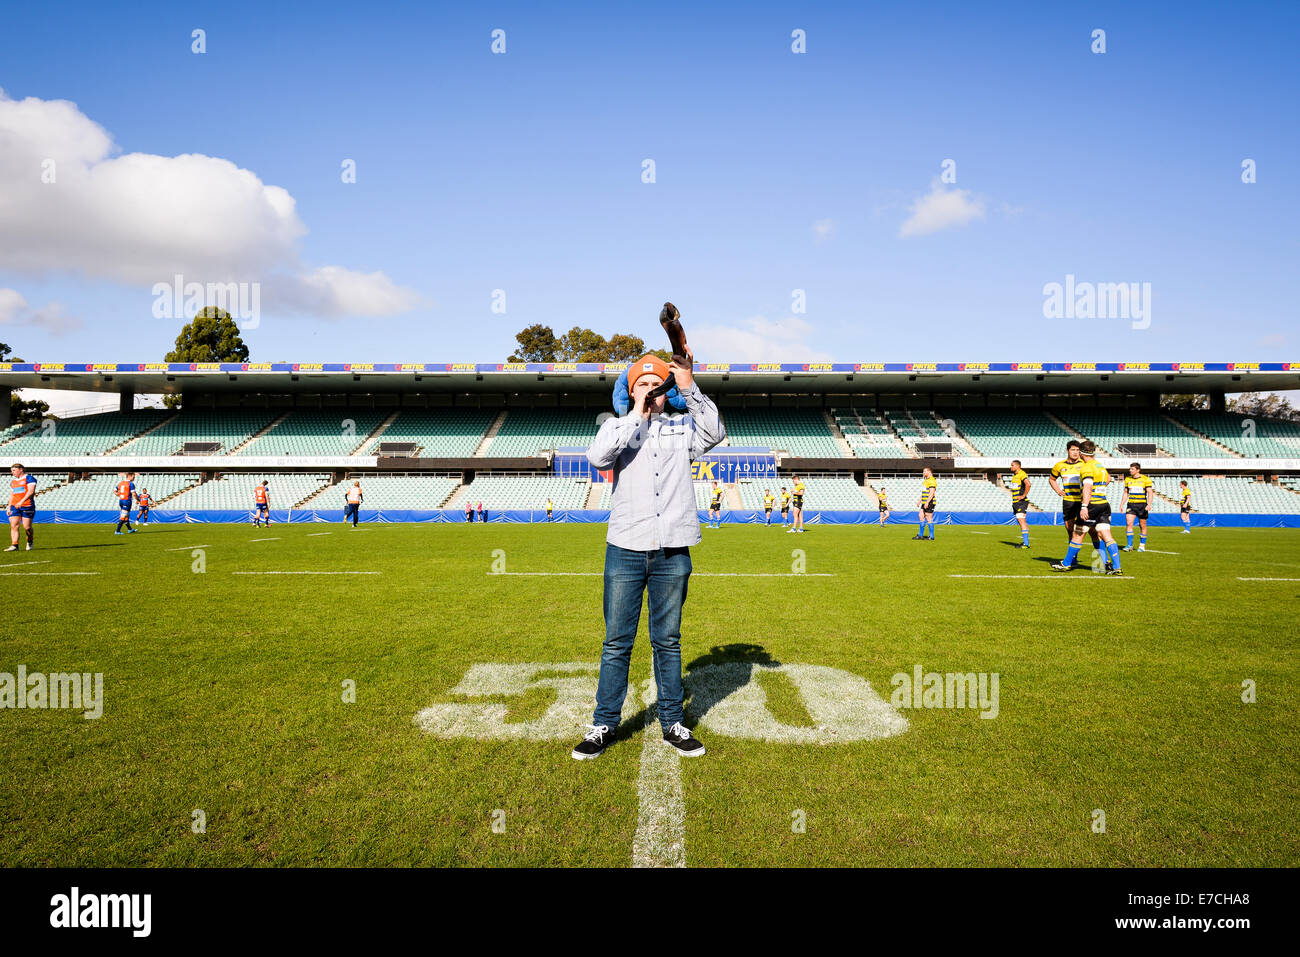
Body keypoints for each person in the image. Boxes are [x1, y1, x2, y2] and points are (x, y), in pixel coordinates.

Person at [573, 351, 725, 760]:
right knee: (617, 642)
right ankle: (603, 724)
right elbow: (598, 457)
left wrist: (688, 384)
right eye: (642, 384)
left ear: (666, 391)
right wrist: (636, 415)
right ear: (630, 390)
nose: (650, 391)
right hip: (625, 548)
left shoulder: (681, 428)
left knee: (668, 642)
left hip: (672, 550)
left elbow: (715, 431)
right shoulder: (618, 426)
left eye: (657, 385)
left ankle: (673, 722)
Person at [1052, 441, 1123, 574]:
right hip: (1104, 504)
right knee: (1106, 535)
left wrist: (1084, 506)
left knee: (1078, 534)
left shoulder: (1086, 467)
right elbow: (1108, 479)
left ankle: (1066, 563)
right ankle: (1117, 567)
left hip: (1092, 505)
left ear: (1081, 452)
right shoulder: (1100, 465)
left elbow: (1088, 487)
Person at [1049, 440, 1105, 568]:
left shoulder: (1085, 464)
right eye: (1073, 450)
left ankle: (1103, 560)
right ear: (1067, 450)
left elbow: (1105, 478)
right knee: (1070, 530)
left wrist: (1093, 491)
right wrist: (1058, 490)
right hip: (1068, 502)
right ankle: (1073, 559)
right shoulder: (1059, 465)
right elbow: (1052, 479)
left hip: (1083, 502)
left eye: (1077, 450)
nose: (1075, 452)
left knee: (1093, 531)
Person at [1121, 463, 1153, 551]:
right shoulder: (1127, 479)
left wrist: (1149, 504)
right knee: (1129, 523)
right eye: (1130, 469)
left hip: (1142, 505)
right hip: (1131, 504)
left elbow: (1150, 492)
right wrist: (1122, 504)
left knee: (1142, 525)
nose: (1130, 470)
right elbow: (1126, 492)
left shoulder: (1145, 479)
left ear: (1138, 470)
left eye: (1132, 469)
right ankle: (1129, 545)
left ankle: (1142, 546)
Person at [6, 463, 37, 552]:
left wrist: (21, 502)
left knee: (27, 527)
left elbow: (31, 492)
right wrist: (9, 506)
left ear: (21, 469)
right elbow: (12, 494)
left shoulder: (29, 478)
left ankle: (30, 540)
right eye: (11, 471)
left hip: (27, 506)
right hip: (14, 506)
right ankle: (15, 545)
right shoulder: (13, 482)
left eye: (14, 470)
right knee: (14, 525)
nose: (12, 472)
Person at [1008, 460, 1031, 548]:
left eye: (1012, 465)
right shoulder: (1014, 476)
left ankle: (1026, 544)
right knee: (1021, 520)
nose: (1011, 467)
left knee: (1021, 520)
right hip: (1016, 502)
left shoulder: (1022, 474)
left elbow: (1028, 484)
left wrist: (1023, 495)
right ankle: (1026, 542)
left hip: (1021, 502)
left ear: (1018, 466)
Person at [914, 467, 937, 540]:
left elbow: (932, 493)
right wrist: (919, 501)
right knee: (921, 516)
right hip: (924, 502)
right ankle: (920, 535)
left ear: (929, 472)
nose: (923, 473)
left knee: (929, 517)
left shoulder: (932, 481)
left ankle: (931, 536)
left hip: (930, 502)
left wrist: (927, 502)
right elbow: (924, 493)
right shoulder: (925, 481)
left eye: (924, 471)